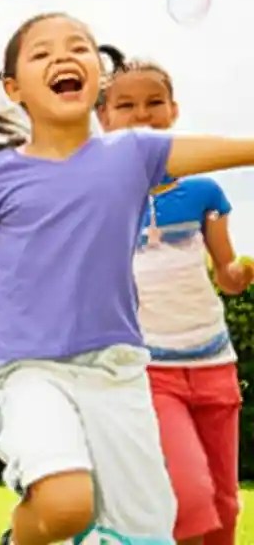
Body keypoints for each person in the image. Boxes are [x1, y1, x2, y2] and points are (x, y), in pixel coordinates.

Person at [0, 10, 254, 545]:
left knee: (147, 535)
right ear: (14, 89)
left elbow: (224, 149)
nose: (63, 56)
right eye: (42, 53)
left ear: (99, 76)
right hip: (27, 369)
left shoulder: (135, 152)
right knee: (66, 506)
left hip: (117, 373)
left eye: (79, 46)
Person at [97, 47, 249, 545]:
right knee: (189, 493)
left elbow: (224, 272)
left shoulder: (204, 191)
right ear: (103, 119)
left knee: (225, 504)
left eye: (154, 102)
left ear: (174, 110)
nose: (142, 114)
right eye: (126, 105)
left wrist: (237, 272)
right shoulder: (100, 195)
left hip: (213, 360)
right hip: (151, 369)